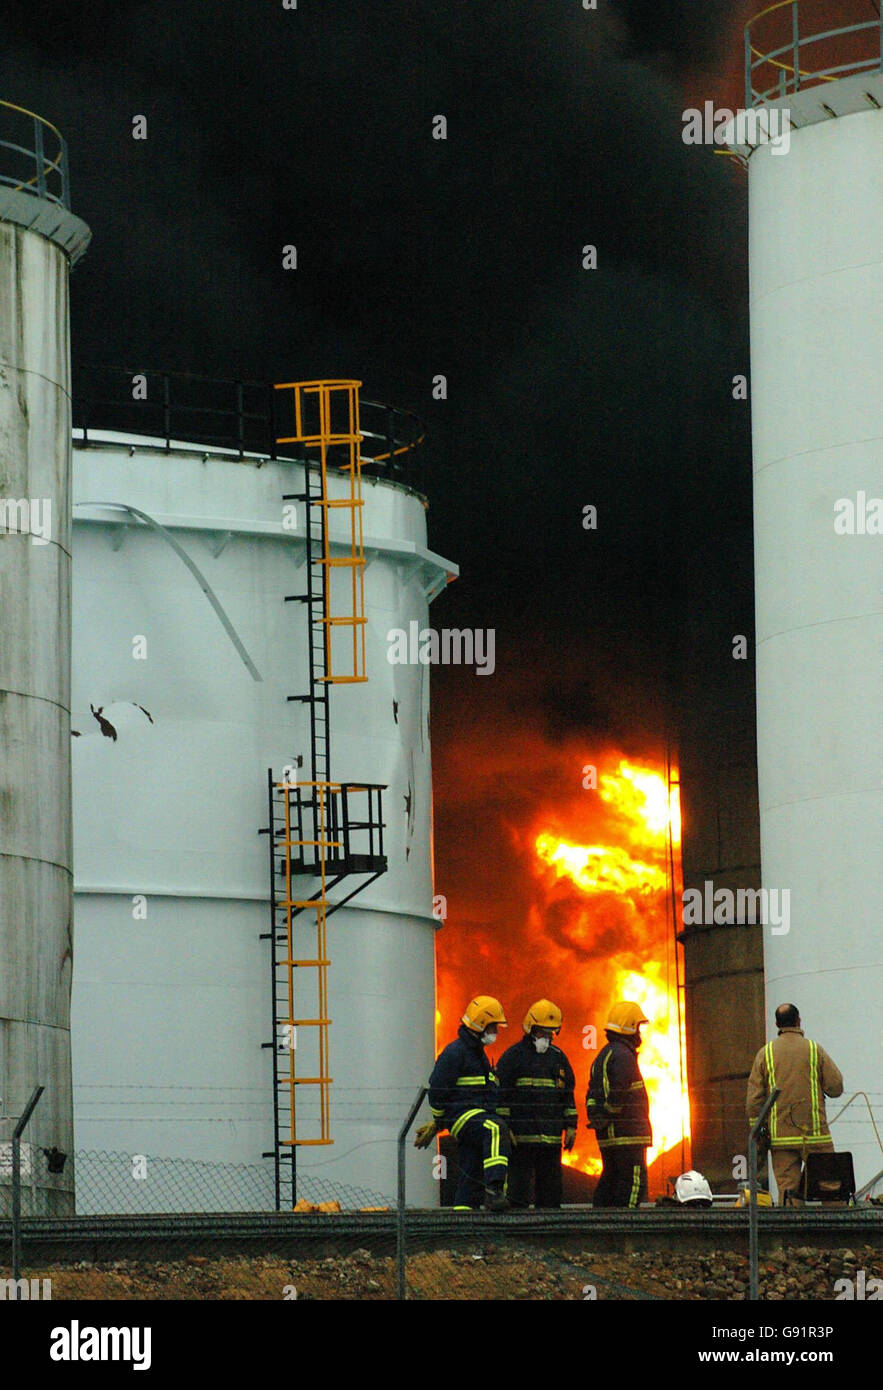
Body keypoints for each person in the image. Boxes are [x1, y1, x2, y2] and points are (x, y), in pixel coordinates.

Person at [415, 995, 510, 1211]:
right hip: (463, 1116)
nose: (496, 1031)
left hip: (477, 1117)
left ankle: (462, 1223)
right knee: (495, 1130)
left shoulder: (478, 1055)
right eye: (493, 1026)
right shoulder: (455, 1053)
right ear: (481, 1025)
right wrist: (439, 1123)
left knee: (472, 1172)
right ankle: (494, 1190)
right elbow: (437, 1090)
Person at [747, 1002, 844, 1205]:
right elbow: (836, 1088)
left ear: (776, 1024)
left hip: (781, 1141)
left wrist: (759, 1131)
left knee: (789, 1195)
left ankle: (792, 1236)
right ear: (799, 1020)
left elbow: (754, 1102)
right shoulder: (814, 1049)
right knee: (831, 1190)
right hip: (816, 1137)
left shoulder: (765, 1054)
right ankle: (836, 1235)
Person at [496, 999, 578, 1209]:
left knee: (551, 1194)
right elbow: (501, 1096)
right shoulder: (513, 1057)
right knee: (518, 1192)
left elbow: (567, 1095)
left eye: (551, 1033)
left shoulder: (559, 1059)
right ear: (531, 1029)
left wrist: (571, 1125)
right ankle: (516, 1237)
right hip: (521, 1140)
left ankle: (549, 1238)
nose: (547, 1038)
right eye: (542, 1033)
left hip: (550, 1141)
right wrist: (505, 1127)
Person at [586, 1001, 651, 1208]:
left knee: (611, 1181)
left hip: (612, 1134)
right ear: (629, 1027)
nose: (639, 1033)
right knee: (634, 1182)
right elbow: (618, 1093)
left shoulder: (604, 1055)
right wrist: (609, 1113)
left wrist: (599, 1117)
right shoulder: (623, 1056)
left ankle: (601, 1226)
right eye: (638, 1027)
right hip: (627, 1134)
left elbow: (592, 1094)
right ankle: (626, 1229)